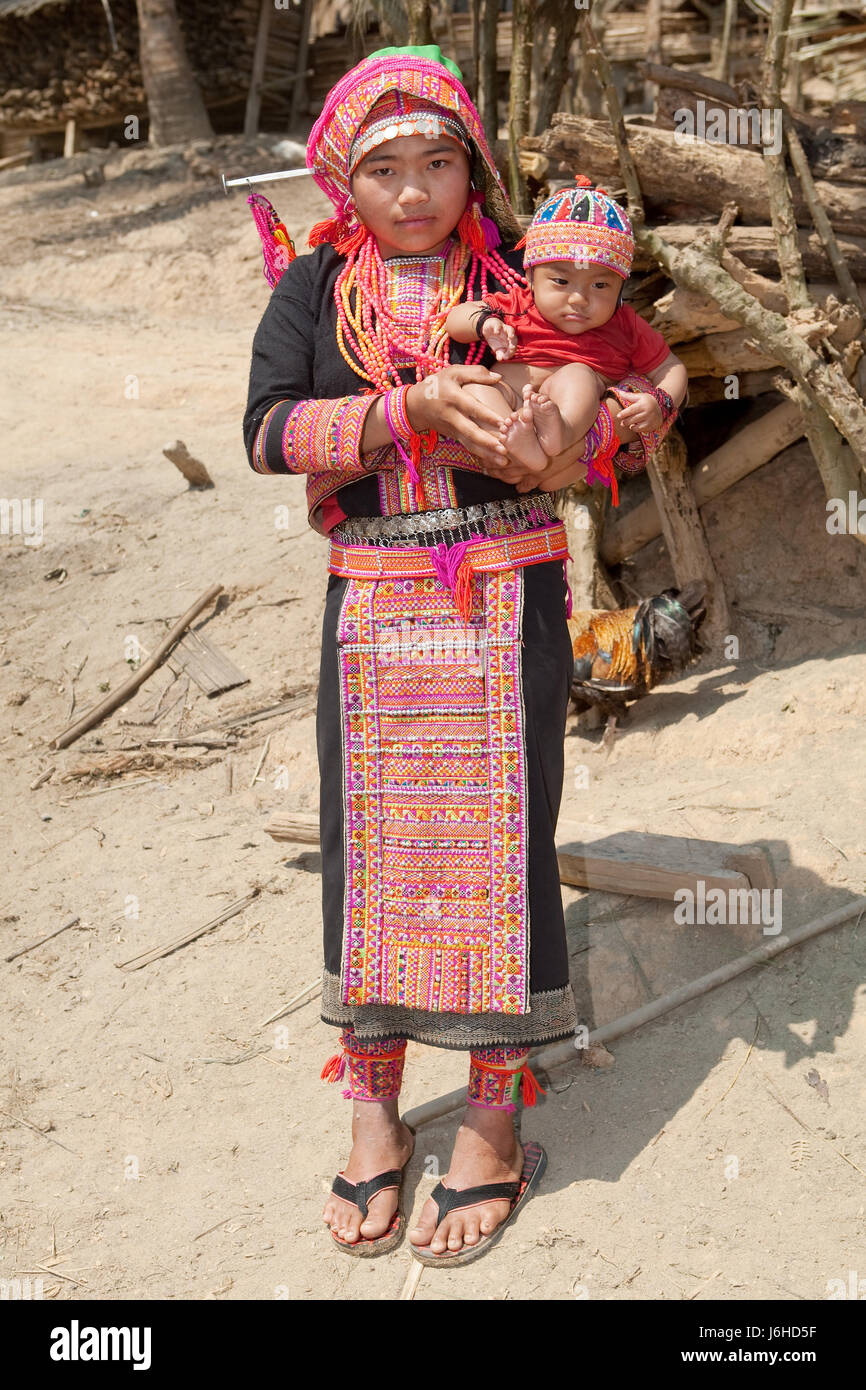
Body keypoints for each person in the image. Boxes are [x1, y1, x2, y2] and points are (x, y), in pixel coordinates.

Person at [242, 46, 685, 1267]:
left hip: (508, 591)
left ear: (474, 164)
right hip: (374, 606)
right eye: (383, 168)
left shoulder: (524, 272)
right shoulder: (316, 289)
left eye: (439, 160)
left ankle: (492, 1116)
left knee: (504, 841)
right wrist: (410, 412)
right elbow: (268, 430)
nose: (414, 189)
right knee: (370, 846)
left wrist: (638, 414)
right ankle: (373, 1107)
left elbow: (617, 389)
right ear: (343, 176)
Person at [445, 176, 689, 481]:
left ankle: (556, 436)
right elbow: (455, 321)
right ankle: (512, 443)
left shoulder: (624, 323)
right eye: (561, 282)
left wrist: (661, 401)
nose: (579, 299)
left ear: (620, 289)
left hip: (570, 423)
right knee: (477, 389)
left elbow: (671, 367)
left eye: (600, 285)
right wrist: (485, 323)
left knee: (578, 375)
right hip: (512, 405)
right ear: (531, 277)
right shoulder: (520, 302)